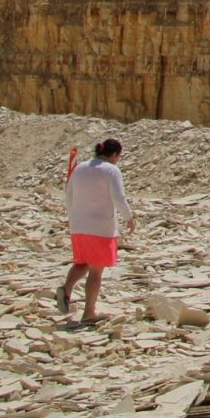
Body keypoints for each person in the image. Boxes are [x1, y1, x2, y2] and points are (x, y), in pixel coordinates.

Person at [59, 139, 135, 327]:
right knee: (96, 270)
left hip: (78, 225)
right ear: (115, 155)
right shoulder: (111, 170)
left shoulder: (80, 168)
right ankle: (89, 312)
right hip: (100, 227)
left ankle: (67, 288)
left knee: (82, 261)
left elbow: (69, 194)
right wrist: (129, 217)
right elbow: (118, 197)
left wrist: (73, 217)